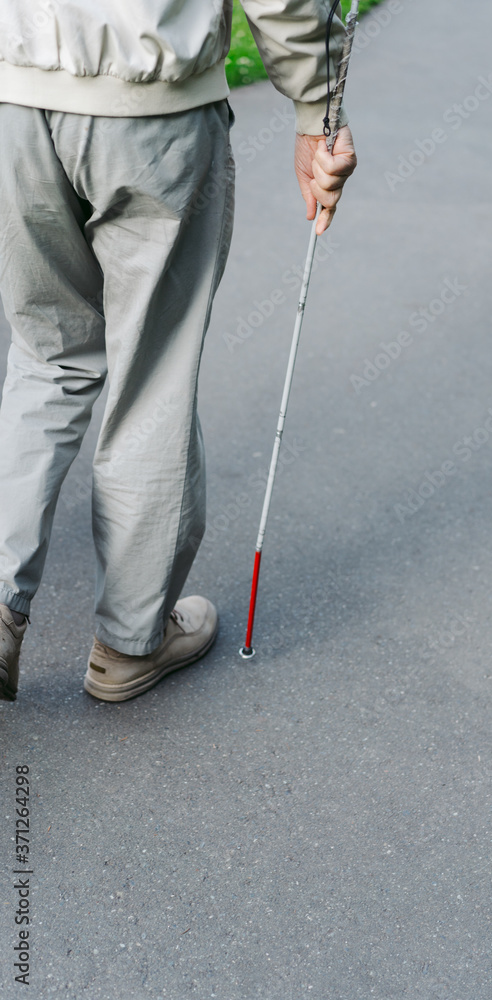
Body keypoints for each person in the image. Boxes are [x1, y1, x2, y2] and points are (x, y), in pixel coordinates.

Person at [0, 0, 357, 703]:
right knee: (152, 375)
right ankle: (131, 642)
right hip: (152, 104)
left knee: (45, 358)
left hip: (14, 97)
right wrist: (317, 106)